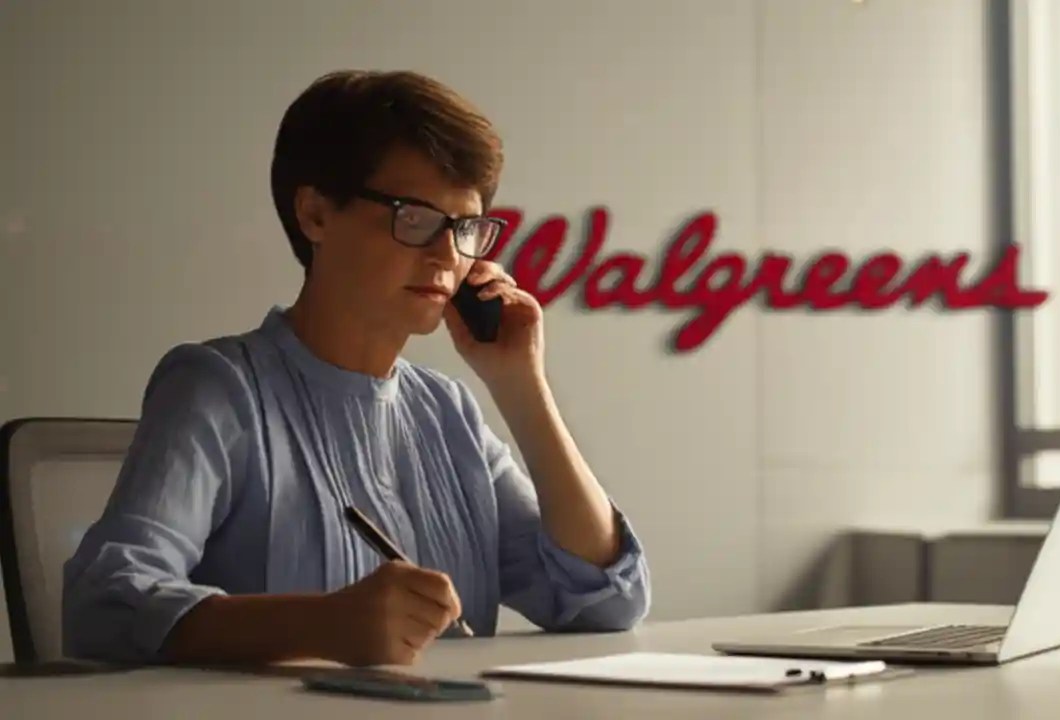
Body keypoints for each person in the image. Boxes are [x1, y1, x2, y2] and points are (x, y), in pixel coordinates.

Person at [61, 69, 651, 666]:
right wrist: (319, 625)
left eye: (464, 227)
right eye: (414, 217)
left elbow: (604, 598)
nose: (447, 255)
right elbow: (105, 604)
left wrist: (522, 386)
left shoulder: (449, 412)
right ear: (315, 215)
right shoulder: (219, 388)